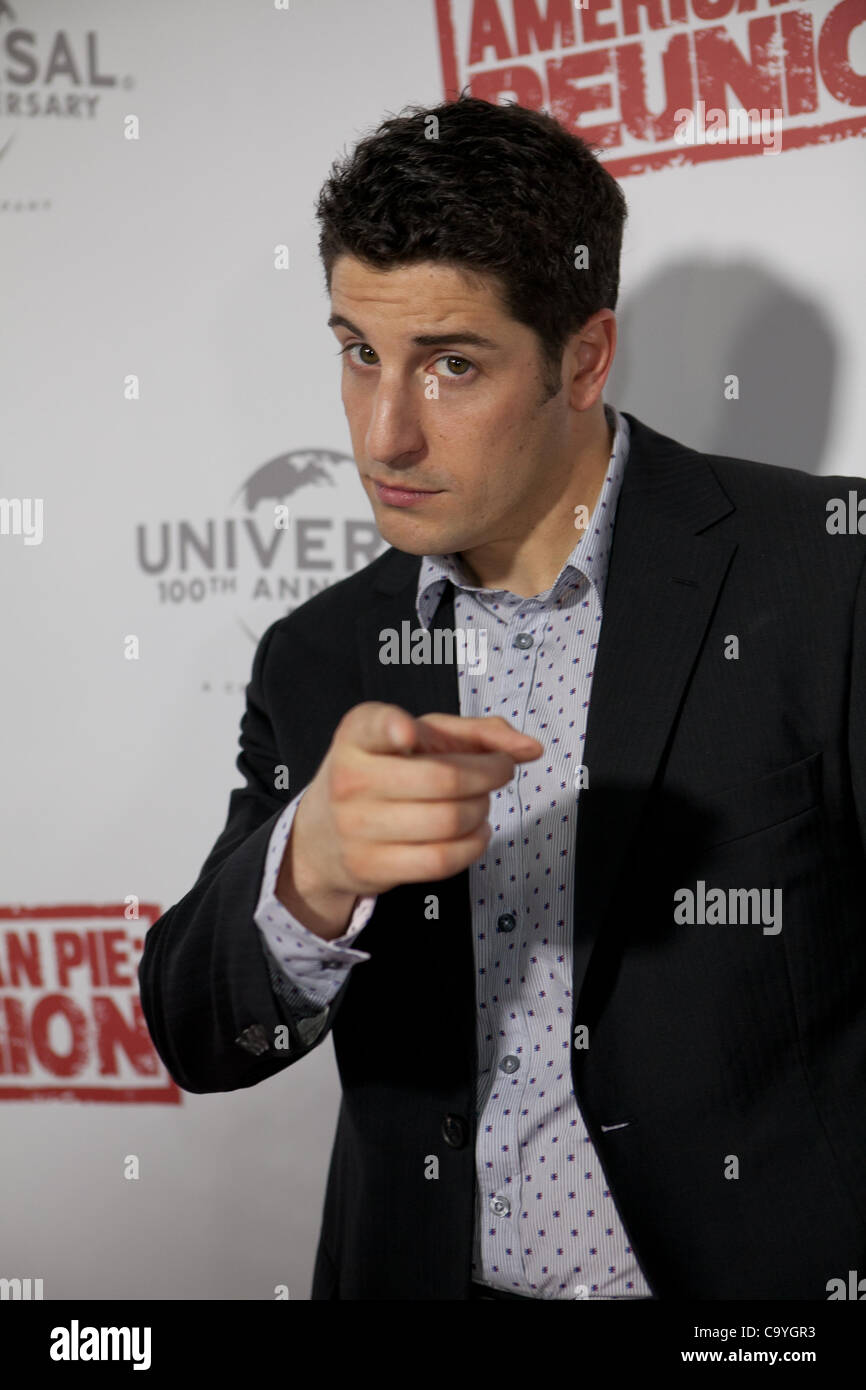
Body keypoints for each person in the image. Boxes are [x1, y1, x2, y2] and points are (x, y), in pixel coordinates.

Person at [138, 94, 866, 1301]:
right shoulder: (315, 654)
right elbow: (202, 1036)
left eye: (451, 366)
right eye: (358, 352)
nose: (384, 435)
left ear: (582, 357)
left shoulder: (825, 572)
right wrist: (309, 871)